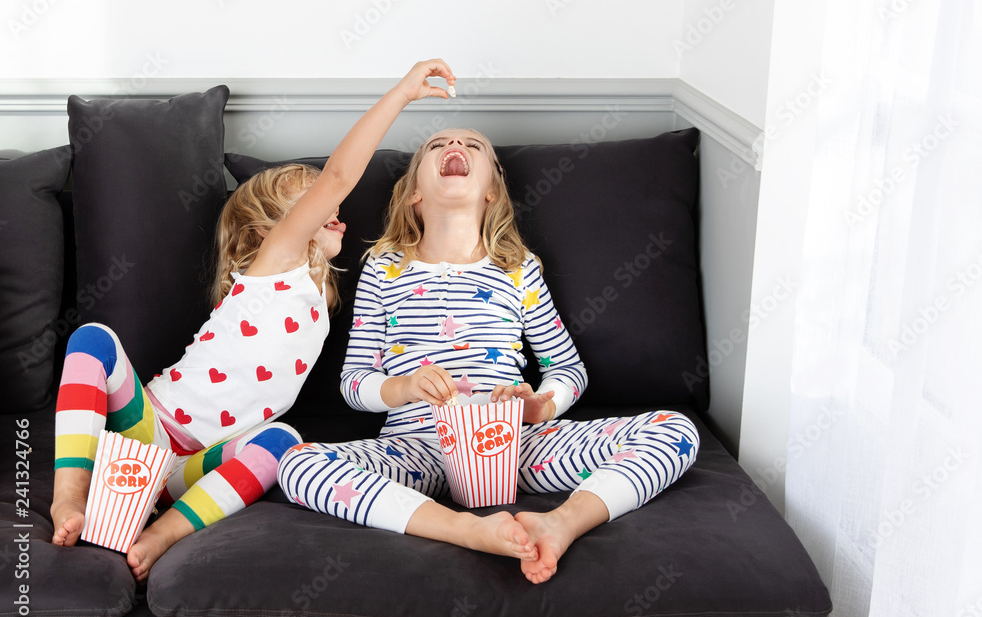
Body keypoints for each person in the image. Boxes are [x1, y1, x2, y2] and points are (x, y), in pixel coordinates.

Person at [49, 59, 459, 582]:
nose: (333, 205)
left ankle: (165, 531)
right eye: (306, 202)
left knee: (282, 440)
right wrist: (400, 94)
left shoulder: (317, 299)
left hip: (193, 471)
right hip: (146, 428)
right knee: (93, 341)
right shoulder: (274, 269)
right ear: (273, 229)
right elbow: (339, 176)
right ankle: (70, 494)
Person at [277, 124, 701, 584]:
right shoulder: (384, 268)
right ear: (414, 192)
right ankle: (464, 529)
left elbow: (567, 367)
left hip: (516, 445)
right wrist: (404, 387)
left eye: (472, 145)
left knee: (675, 430)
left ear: (493, 191)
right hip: (419, 446)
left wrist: (543, 405)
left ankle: (562, 523)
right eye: (437, 145)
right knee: (297, 464)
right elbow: (354, 382)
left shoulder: (518, 270)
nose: (454, 146)